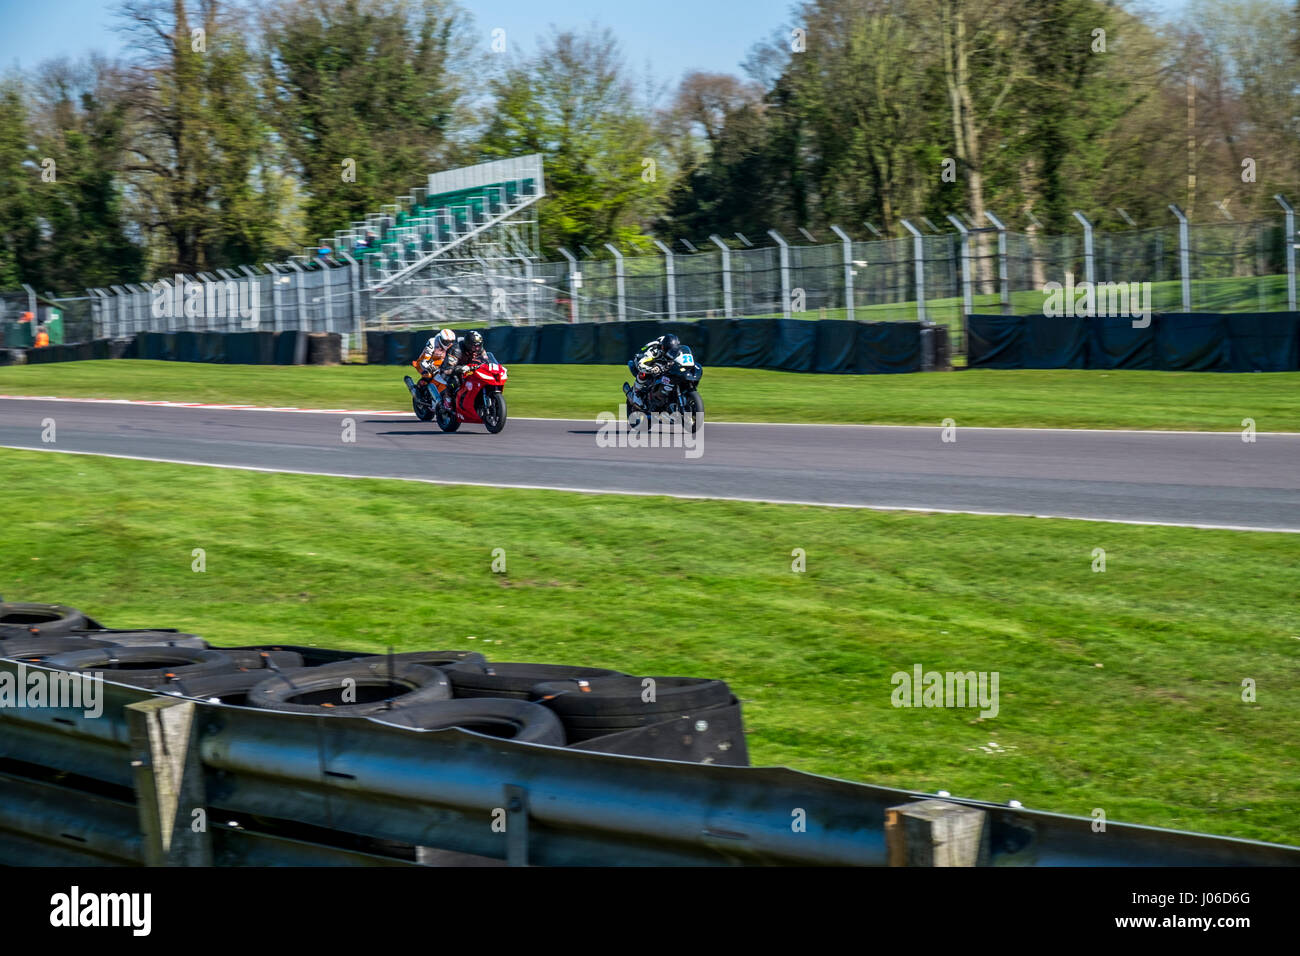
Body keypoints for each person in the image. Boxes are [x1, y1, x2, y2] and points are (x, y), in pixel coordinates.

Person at [625, 333, 682, 409]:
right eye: (670, 352)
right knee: (644, 373)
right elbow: (641, 364)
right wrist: (651, 369)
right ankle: (636, 393)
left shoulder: (673, 346)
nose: (672, 353)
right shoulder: (654, 351)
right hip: (642, 359)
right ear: (663, 348)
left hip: (661, 360)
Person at [440, 330, 487, 408]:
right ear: (468, 344)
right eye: (474, 346)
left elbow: (486, 360)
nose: (477, 348)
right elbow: (450, 368)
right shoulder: (456, 350)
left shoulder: (479, 349)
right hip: (448, 370)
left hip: (468, 369)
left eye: (479, 345)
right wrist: (461, 368)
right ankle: (447, 401)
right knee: (454, 382)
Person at [411, 329, 457, 401]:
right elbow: (424, 361)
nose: (449, 345)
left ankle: (438, 393)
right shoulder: (432, 342)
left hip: (439, 363)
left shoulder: (452, 346)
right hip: (424, 362)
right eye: (447, 342)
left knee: (447, 377)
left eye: (451, 342)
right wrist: (432, 368)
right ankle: (420, 389)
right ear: (441, 339)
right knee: (429, 375)